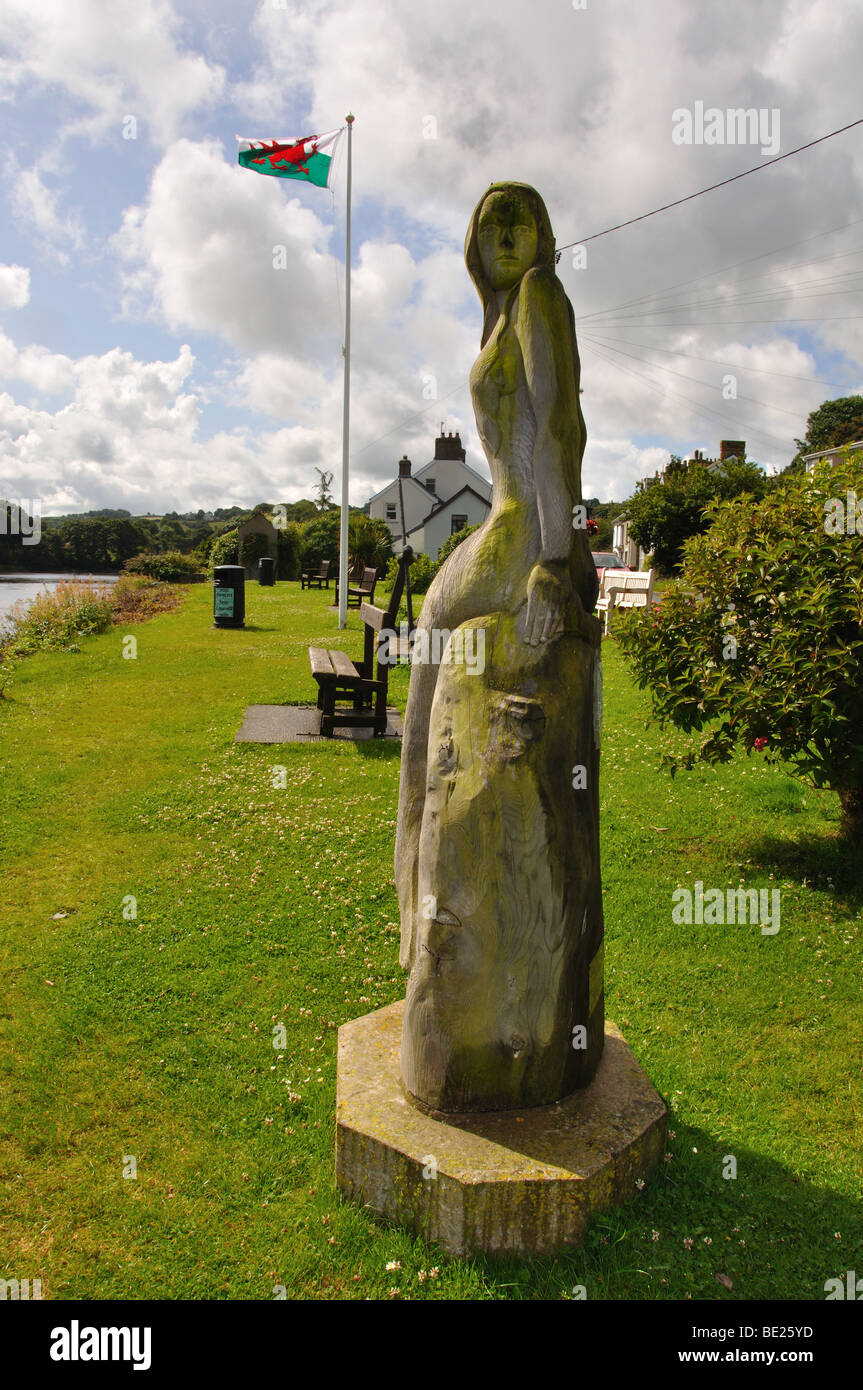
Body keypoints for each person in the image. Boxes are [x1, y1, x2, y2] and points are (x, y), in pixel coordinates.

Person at [395, 182, 598, 973]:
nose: (508, 233)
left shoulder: (542, 295)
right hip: (501, 535)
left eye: (522, 220)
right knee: (419, 733)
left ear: (543, 234)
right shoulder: (501, 315)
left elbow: (558, 428)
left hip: (520, 545)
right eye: (492, 222)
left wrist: (554, 562)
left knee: (421, 734)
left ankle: (427, 923)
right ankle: (418, 918)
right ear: (473, 243)